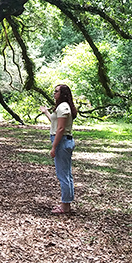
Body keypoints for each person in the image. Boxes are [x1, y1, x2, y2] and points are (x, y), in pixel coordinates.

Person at [39, 84, 77, 214]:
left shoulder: (63, 107)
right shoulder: (62, 107)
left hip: (62, 142)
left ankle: (65, 207)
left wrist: (54, 147)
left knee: (63, 175)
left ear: (63, 94)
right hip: (64, 141)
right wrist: (46, 113)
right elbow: (55, 124)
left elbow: (60, 129)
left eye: (56, 92)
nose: (54, 94)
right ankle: (66, 203)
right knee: (66, 174)